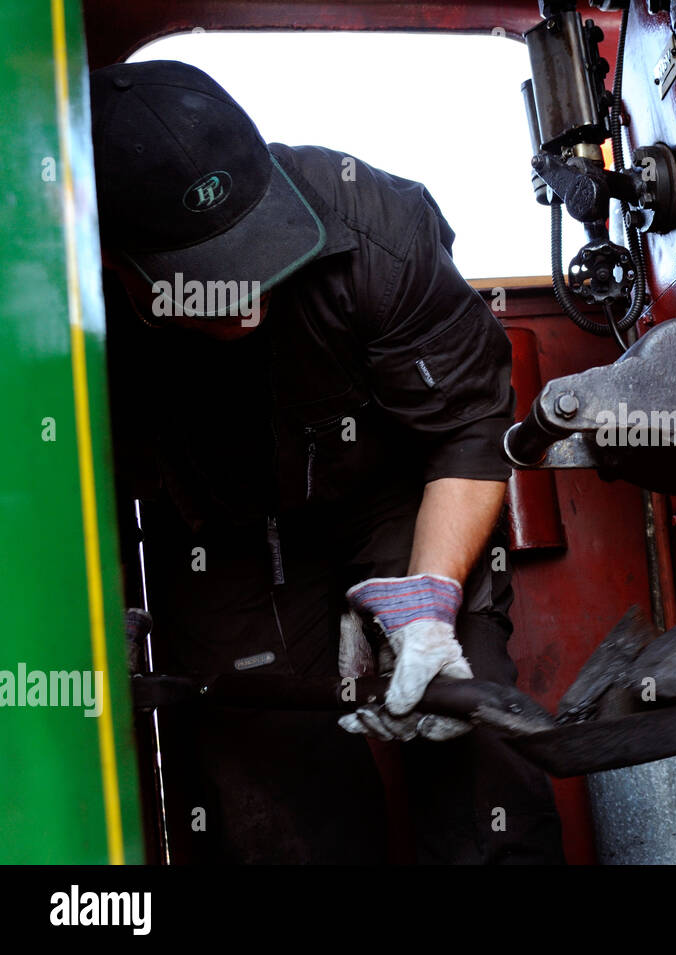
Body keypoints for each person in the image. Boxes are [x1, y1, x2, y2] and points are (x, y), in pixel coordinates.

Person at [92, 58, 563, 863]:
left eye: (256, 255)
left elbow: (469, 430)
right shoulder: (59, 312)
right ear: (114, 263)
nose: (246, 302)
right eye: (208, 280)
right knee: (272, 812)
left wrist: (424, 607)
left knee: (473, 736)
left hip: (393, 496)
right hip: (217, 533)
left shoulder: (379, 227)